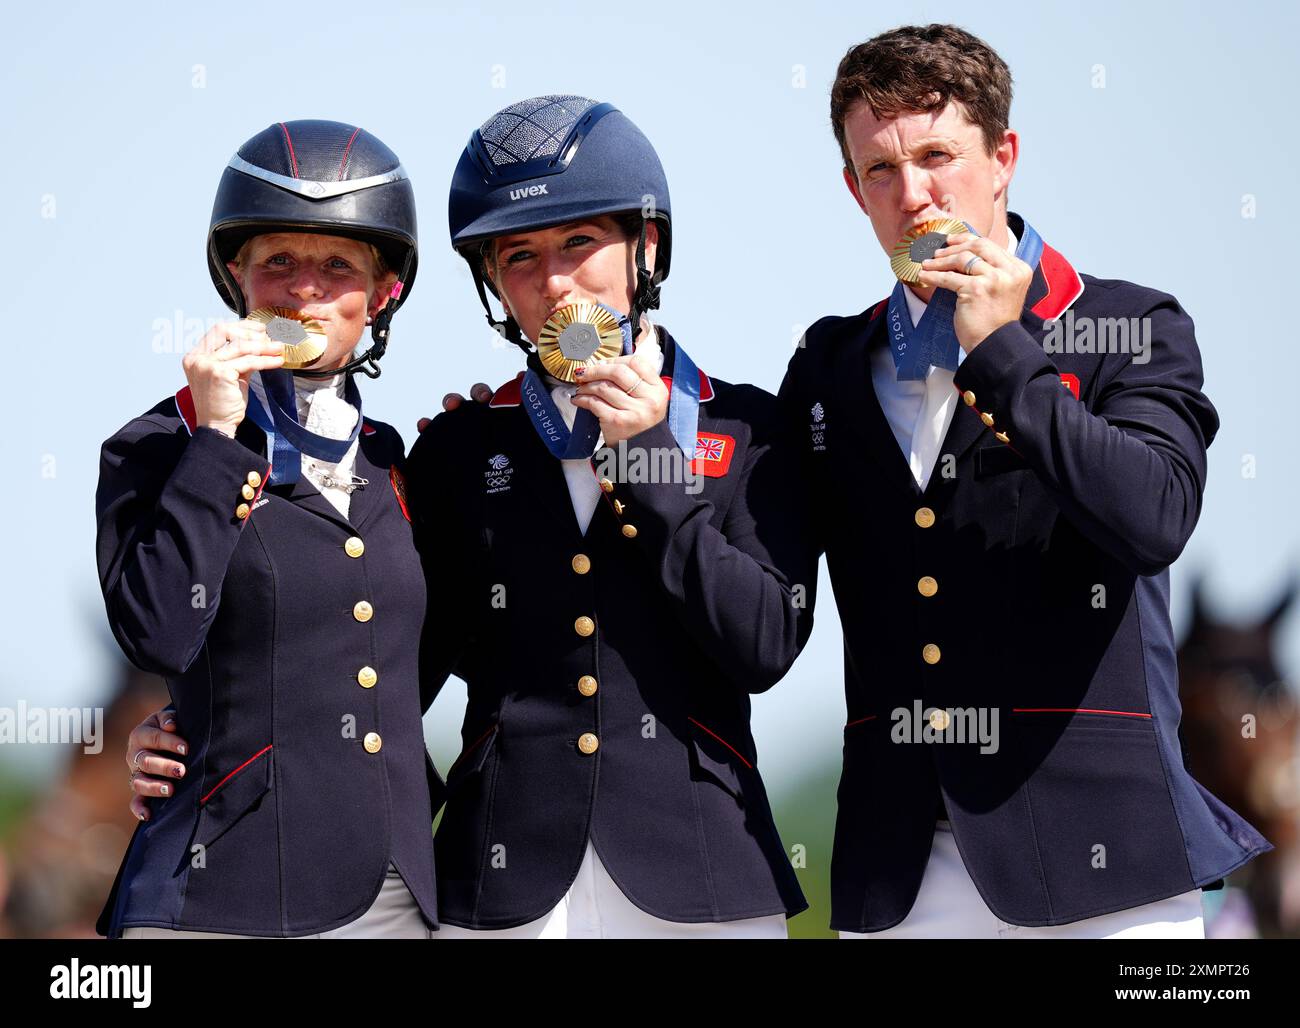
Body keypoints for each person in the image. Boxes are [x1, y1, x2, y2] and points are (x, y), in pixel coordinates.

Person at [777, 24, 1270, 938]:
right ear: (854, 190)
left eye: (937, 155)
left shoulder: (1132, 325)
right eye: (879, 170)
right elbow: (759, 588)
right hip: (899, 876)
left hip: (1110, 869)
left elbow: (1153, 517)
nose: (913, 195)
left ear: (1002, 158)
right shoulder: (828, 366)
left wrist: (1003, 351)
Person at [410, 95, 815, 937]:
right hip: (499, 883)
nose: (555, 283)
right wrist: (192, 730)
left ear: (647, 246)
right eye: (520, 256)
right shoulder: (454, 449)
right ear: (493, 281)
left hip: (703, 873)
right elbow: (386, 667)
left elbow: (765, 645)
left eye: (580, 243)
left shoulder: (753, 430)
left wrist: (650, 460)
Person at [96, 120, 439, 938]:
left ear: (382, 292)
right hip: (222, 892)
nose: (305, 290)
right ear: (235, 276)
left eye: (337, 266)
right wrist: (218, 441)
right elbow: (155, 636)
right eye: (278, 261)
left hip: (393, 897)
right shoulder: (157, 445)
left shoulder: (397, 463)